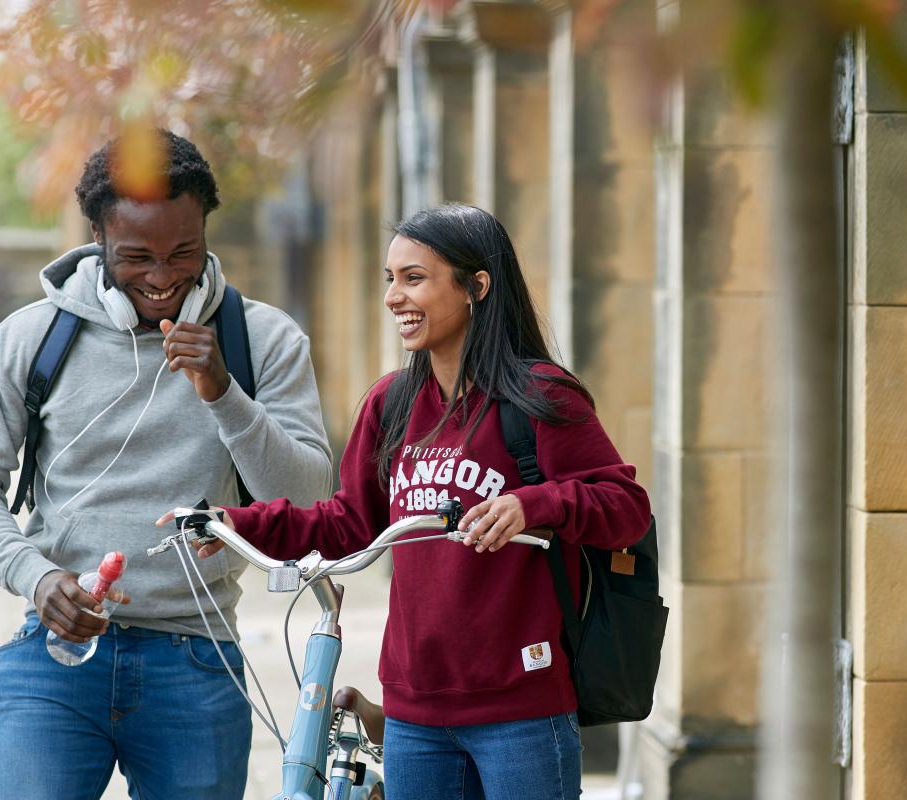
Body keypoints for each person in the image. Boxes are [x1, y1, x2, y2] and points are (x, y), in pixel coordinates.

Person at [181, 204, 650, 800]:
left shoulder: (539, 395)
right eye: (389, 279)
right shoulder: (392, 404)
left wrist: (534, 504)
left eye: (414, 278)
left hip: (522, 710)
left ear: (477, 286)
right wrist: (235, 520)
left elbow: (625, 505)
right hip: (414, 715)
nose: (393, 297)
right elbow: (351, 523)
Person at [0, 129, 333, 800]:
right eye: (135, 257)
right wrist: (36, 578)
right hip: (53, 659)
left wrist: (223, 394)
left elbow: (307, 501)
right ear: (97, 238)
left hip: (198, 661)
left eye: (183, 252)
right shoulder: (31, 339)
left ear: (207, 230)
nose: (160, 277)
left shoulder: (262, 341)